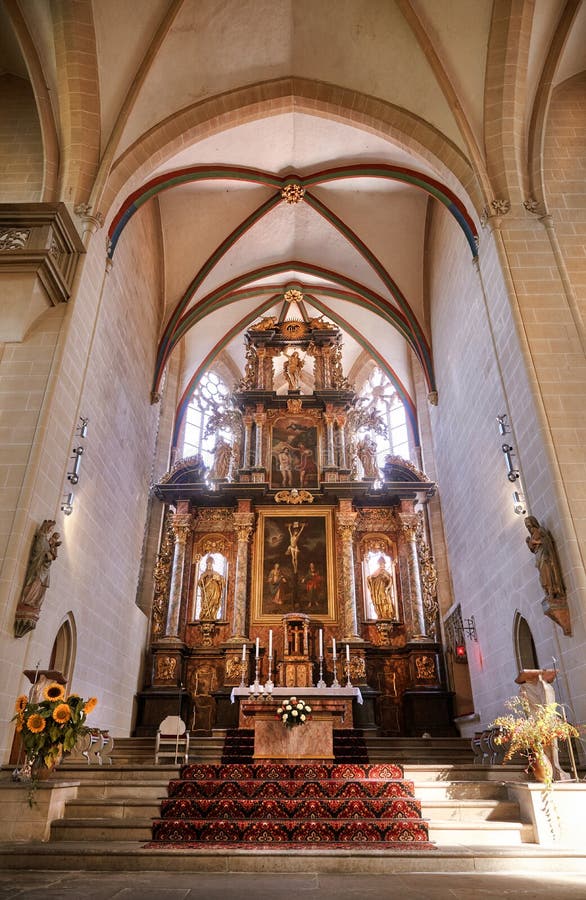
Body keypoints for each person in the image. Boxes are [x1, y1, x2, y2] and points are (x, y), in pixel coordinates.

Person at [20, 519, 61, 610]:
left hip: (45, 568)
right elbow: (37, 552)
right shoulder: (41, 538)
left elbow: (49, 551)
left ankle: (34, 603)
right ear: (46, 527)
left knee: (41, 586)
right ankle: (28, 600)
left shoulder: (46, 540)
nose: (51, 531)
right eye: (51, 528)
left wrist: (51, 552)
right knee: (36, 582)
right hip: (39, 567)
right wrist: (47, 555)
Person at [525, 516, 565, 600]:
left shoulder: (540, 530)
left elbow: (546, 541)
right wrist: (529, 543)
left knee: (547, 572)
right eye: (527, 525)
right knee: (542, 576)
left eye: (529, 524)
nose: (528, 526)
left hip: (544, 555)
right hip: (538, 556)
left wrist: (535, 542)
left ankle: (552, 590)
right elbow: (533, 549)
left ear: (533, 523)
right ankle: (547, 591)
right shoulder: (531, 536)